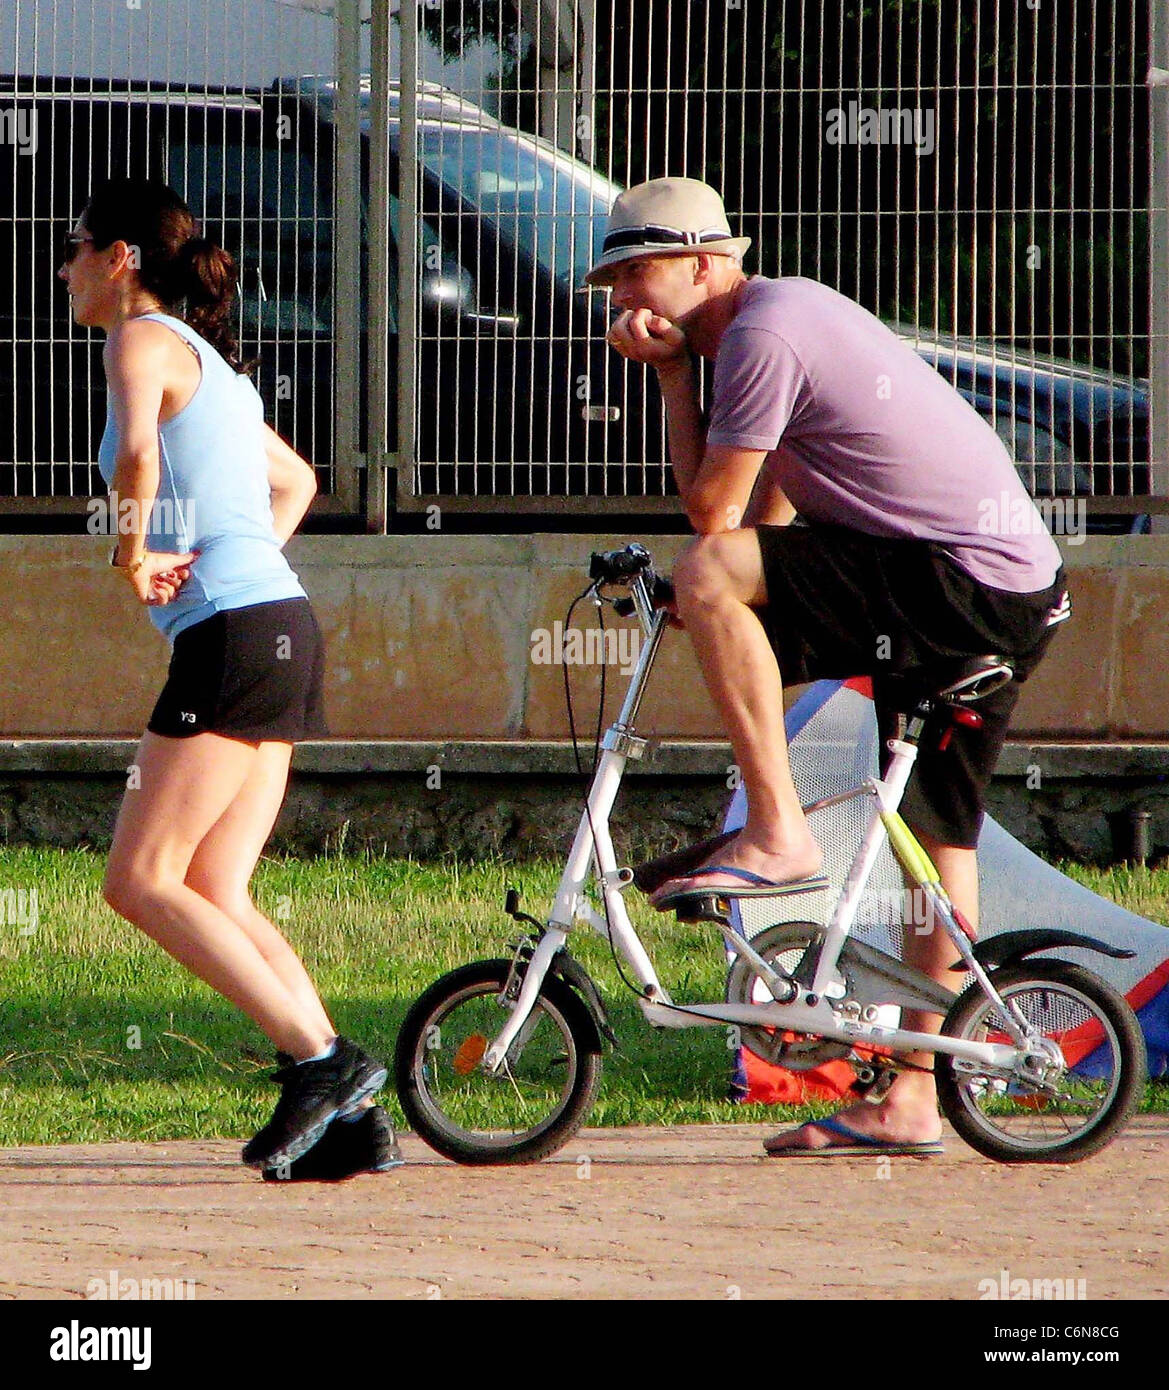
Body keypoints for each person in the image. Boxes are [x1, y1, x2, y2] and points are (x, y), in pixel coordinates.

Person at [588, 177, 1069, 1156]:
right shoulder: (774, 328)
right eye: (610, 278)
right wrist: (715, 592)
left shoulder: (765, 333)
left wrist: (673, 387)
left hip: (958, 585)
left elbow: (713, 523)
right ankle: (909, 1096)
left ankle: (776, 833)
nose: (619, 296)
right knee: (931, 843)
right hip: (995, 593)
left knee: (709, 570)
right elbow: (761, 524)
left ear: (705, 261)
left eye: (636, 269)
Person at [60, 176, 400, 1180]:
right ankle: (351, 1123)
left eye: (75, 247)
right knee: (215, 884)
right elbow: (295, 482)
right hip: (279, 625)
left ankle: (324, 1061)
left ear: (120, 256)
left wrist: (134, 559)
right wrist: (232, 559)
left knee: (141, 879)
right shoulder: (213, 363)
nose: (64, 268)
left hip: (235, 637)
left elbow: (134, 460)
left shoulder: (140, 339)